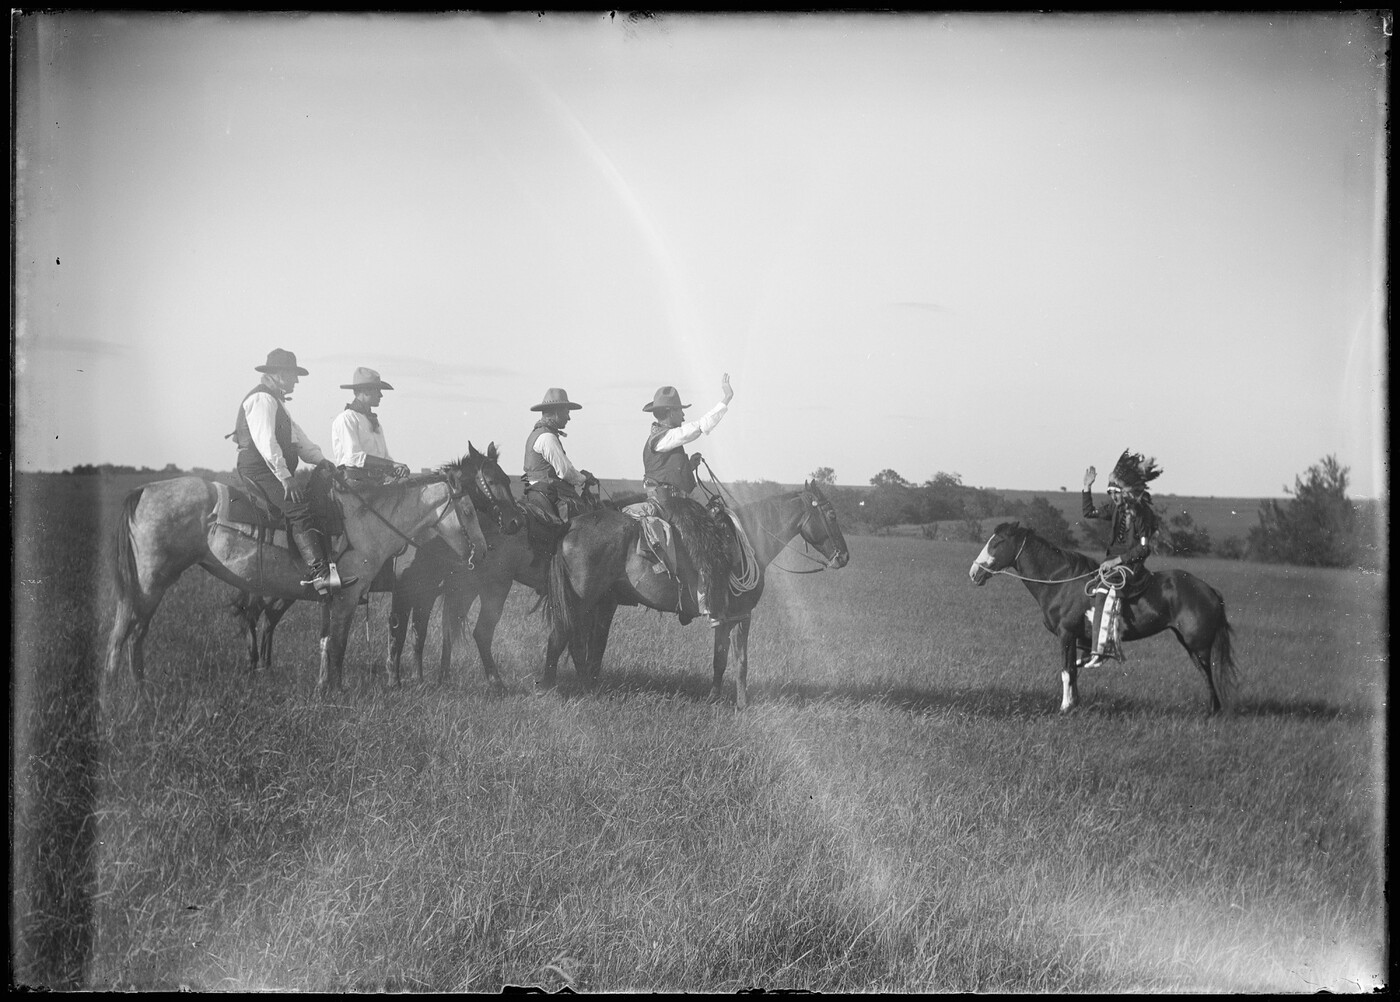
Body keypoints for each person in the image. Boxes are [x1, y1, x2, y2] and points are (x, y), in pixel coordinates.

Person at [232, 348, 354, 595]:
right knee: (298, 507)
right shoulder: (261, 400)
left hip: (272, 469)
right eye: (292, 375)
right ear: (278, 374)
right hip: (260, 470)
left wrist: (323, 462)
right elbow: (267, 443)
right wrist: (286, 477)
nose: (296, 381)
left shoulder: (276, 403)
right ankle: (319, 576)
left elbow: (299, 441)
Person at [639, 374, 734, 621]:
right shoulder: (665, 437)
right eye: (679, 412)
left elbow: (668, 474)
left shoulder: (663, 439)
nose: (682, 416)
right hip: (669, 504)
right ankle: (710, 604)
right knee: (709, 543)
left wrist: (689, 466)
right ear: (669, 412)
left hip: (669, 499)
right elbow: (697, 428)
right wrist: (725, 400)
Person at [1080, 449, 1162, 668]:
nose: (1113, 497)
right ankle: (1090, 643)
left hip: (1129, 565)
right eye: (1110, 492)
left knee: (1103, 591)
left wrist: (1117, 561)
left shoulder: (1141, 514)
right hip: (1112, 564)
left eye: (1116, 492)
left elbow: (1144, 549)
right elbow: (1089, 513)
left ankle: (1101, 650)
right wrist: (1087, 487)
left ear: (1126, 492)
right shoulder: (1114, 508)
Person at [523, 387, 596, 522]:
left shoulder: (537, 434)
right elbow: (565, 471)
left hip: (537, 491)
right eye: (567, 412)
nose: (569, 417)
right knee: (587, 520)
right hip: (548, 491)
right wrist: (584, 478)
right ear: (557, 412)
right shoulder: (547, 437)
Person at [331, 367, 410, 485]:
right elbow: (354, 457)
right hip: (355, 486)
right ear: (365, 390)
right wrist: (392, 465)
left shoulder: (374, 422)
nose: (381, 395)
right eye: (377, 390)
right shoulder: (346, 419)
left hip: (376, 482)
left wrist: (398, 467)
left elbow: (384, 457)